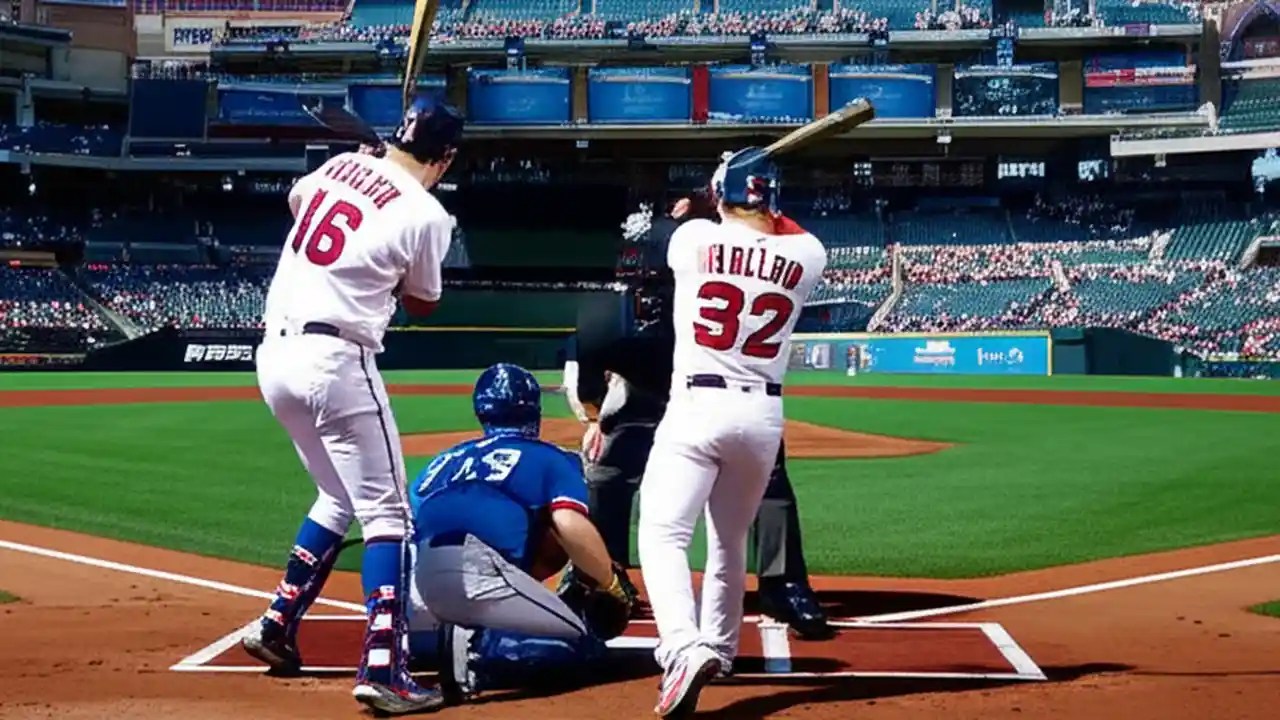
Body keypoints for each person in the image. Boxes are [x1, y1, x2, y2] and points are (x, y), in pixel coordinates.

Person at [242, 94, 463, 716]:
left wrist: (362, 167)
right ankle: (384, 668)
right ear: (443, 157)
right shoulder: (428, 211)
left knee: (339, 496)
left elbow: (299, 204)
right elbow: (423, 301)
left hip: (274, 357)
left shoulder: (336, 167)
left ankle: (277, 622)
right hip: (336, 360)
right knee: (390, 515)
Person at [637, 147, 827, 717]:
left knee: (663, 532)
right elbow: (779, 228)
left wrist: (710, 194)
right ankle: (719, 648)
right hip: (762, 417)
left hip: (698, 402)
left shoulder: (689, 239)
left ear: (722, 195)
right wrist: (746, 187)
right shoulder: (808, 253)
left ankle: (682, 646)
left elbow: (707, 223)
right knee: (729, 540)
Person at [406, 363, 633, 704]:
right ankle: (475, 649)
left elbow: (404, 527)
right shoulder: (552, 458)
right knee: (582, 646)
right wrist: (611, 585)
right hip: (477, 572)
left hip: (417, 581)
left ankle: (418, 640)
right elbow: (569, 524)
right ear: (534, 409)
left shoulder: (440, 462)